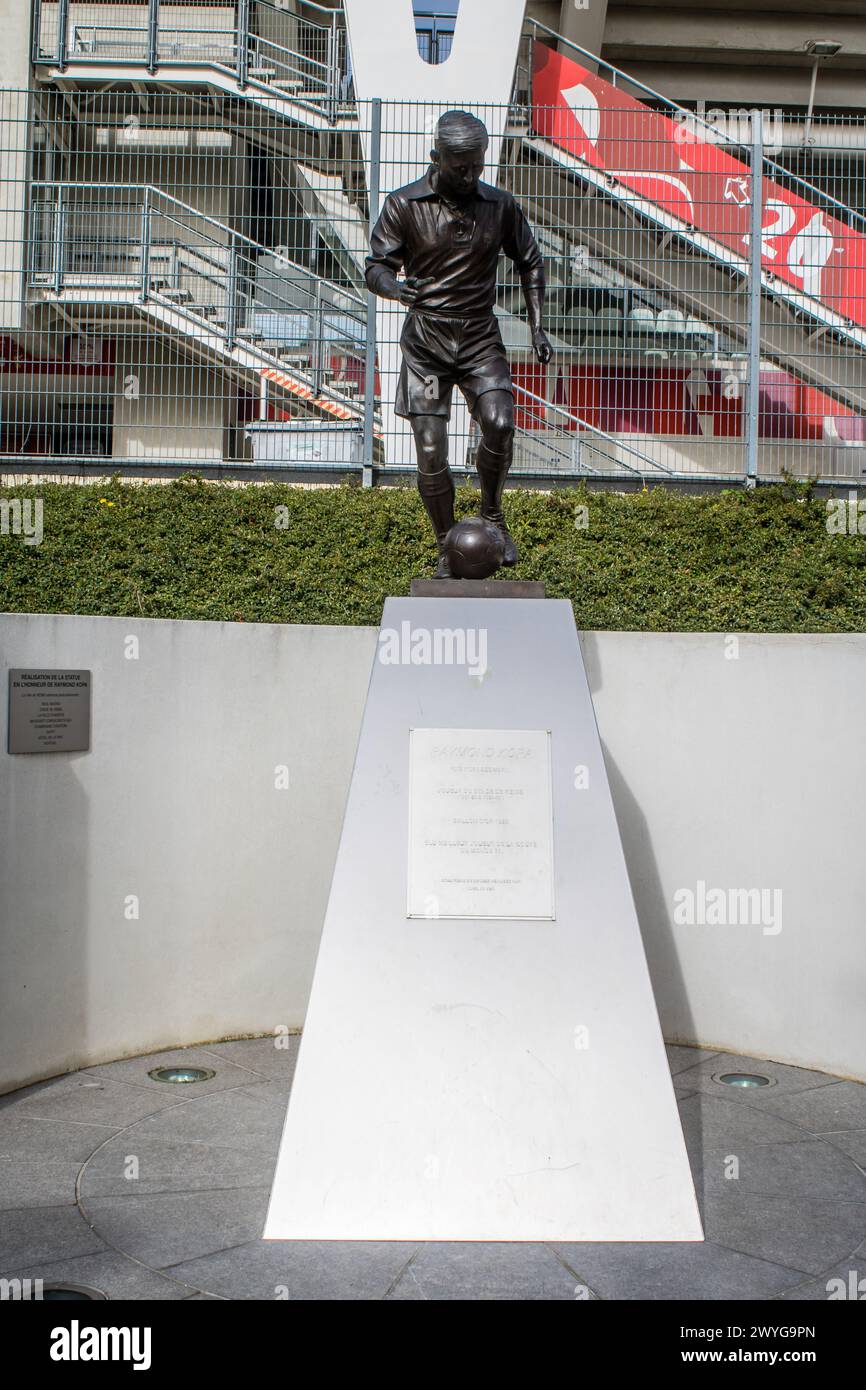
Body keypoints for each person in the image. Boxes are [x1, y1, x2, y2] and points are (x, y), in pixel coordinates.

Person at [364, 110, 552, 576]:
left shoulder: (500, 206)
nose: (470, 175)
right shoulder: (404, 205)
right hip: (427, 343)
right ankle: (447, 543)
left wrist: (537, 325)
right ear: (436, 158)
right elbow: (376, 266)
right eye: (459, 166)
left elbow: (530, 260)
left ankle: (492, 513)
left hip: (478, 339)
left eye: (477, 165)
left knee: (500, 421)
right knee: (430, 448)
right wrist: (393, 287)